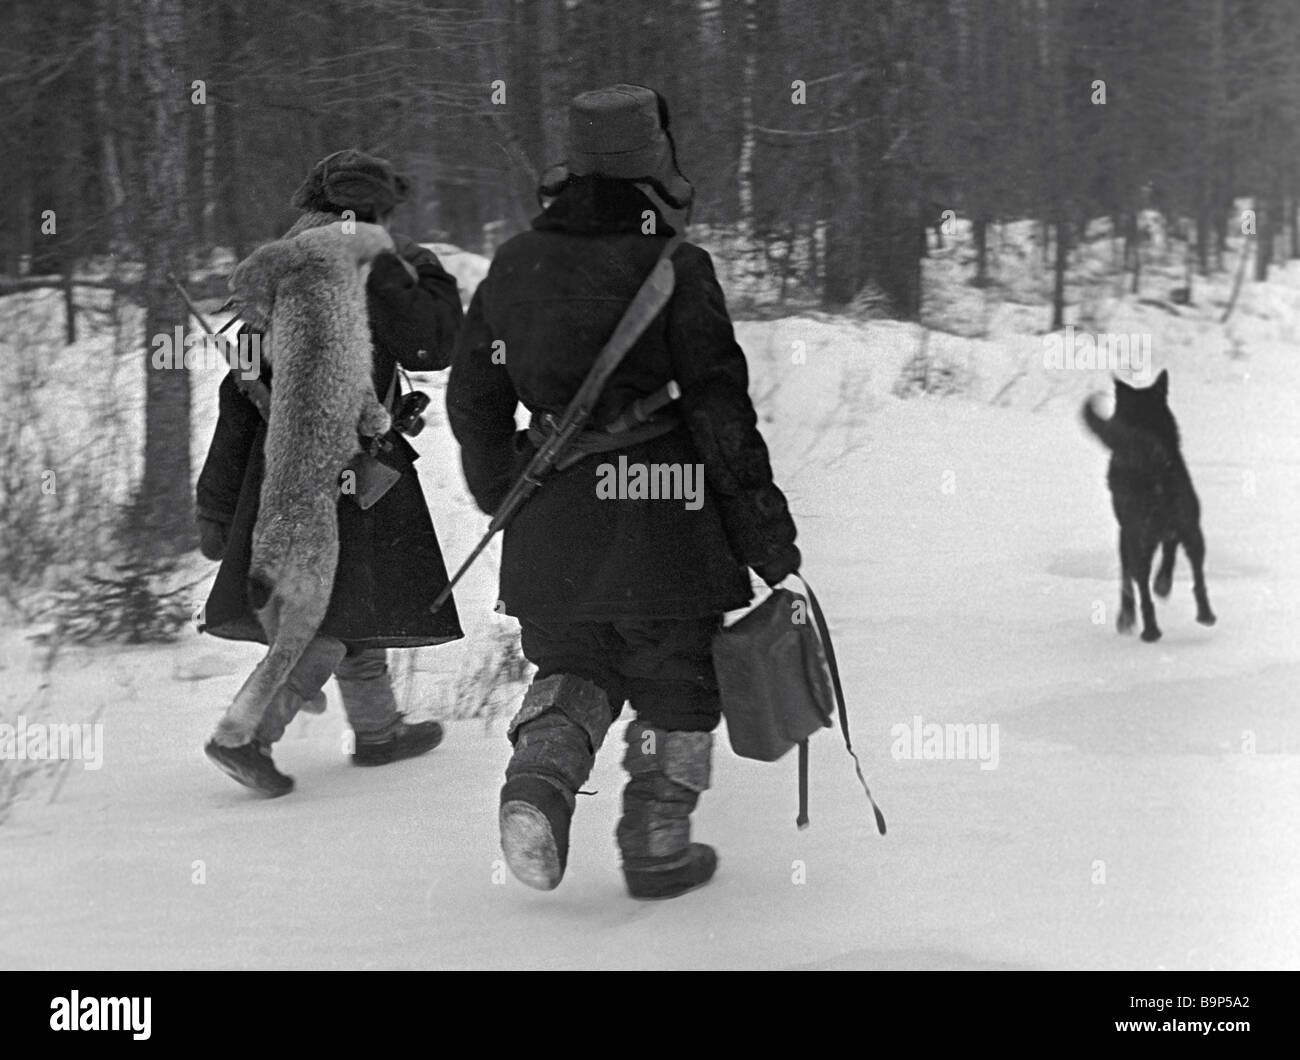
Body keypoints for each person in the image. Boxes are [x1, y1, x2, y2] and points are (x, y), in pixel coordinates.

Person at [447, 86, 800, 899]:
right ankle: (656, 842)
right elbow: (719, 412)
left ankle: (538, 782)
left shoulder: (514, 263)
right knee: (679, 680)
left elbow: (473, 399)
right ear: (655, 163)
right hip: (664, 516)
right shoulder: (676, 266)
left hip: (553, 512)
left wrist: (509, 489)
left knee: (572, 663)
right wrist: (764, 535)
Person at [198, 148, 464, 797]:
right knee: (331, 615)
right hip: (339, 468)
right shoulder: (367, 262)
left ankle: (378, 731)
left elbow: (242, 392)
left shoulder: (285, 261)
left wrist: (218, 497)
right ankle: (246, 733)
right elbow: (434, 343)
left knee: (351, 597)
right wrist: (426, 275)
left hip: (286, 463)